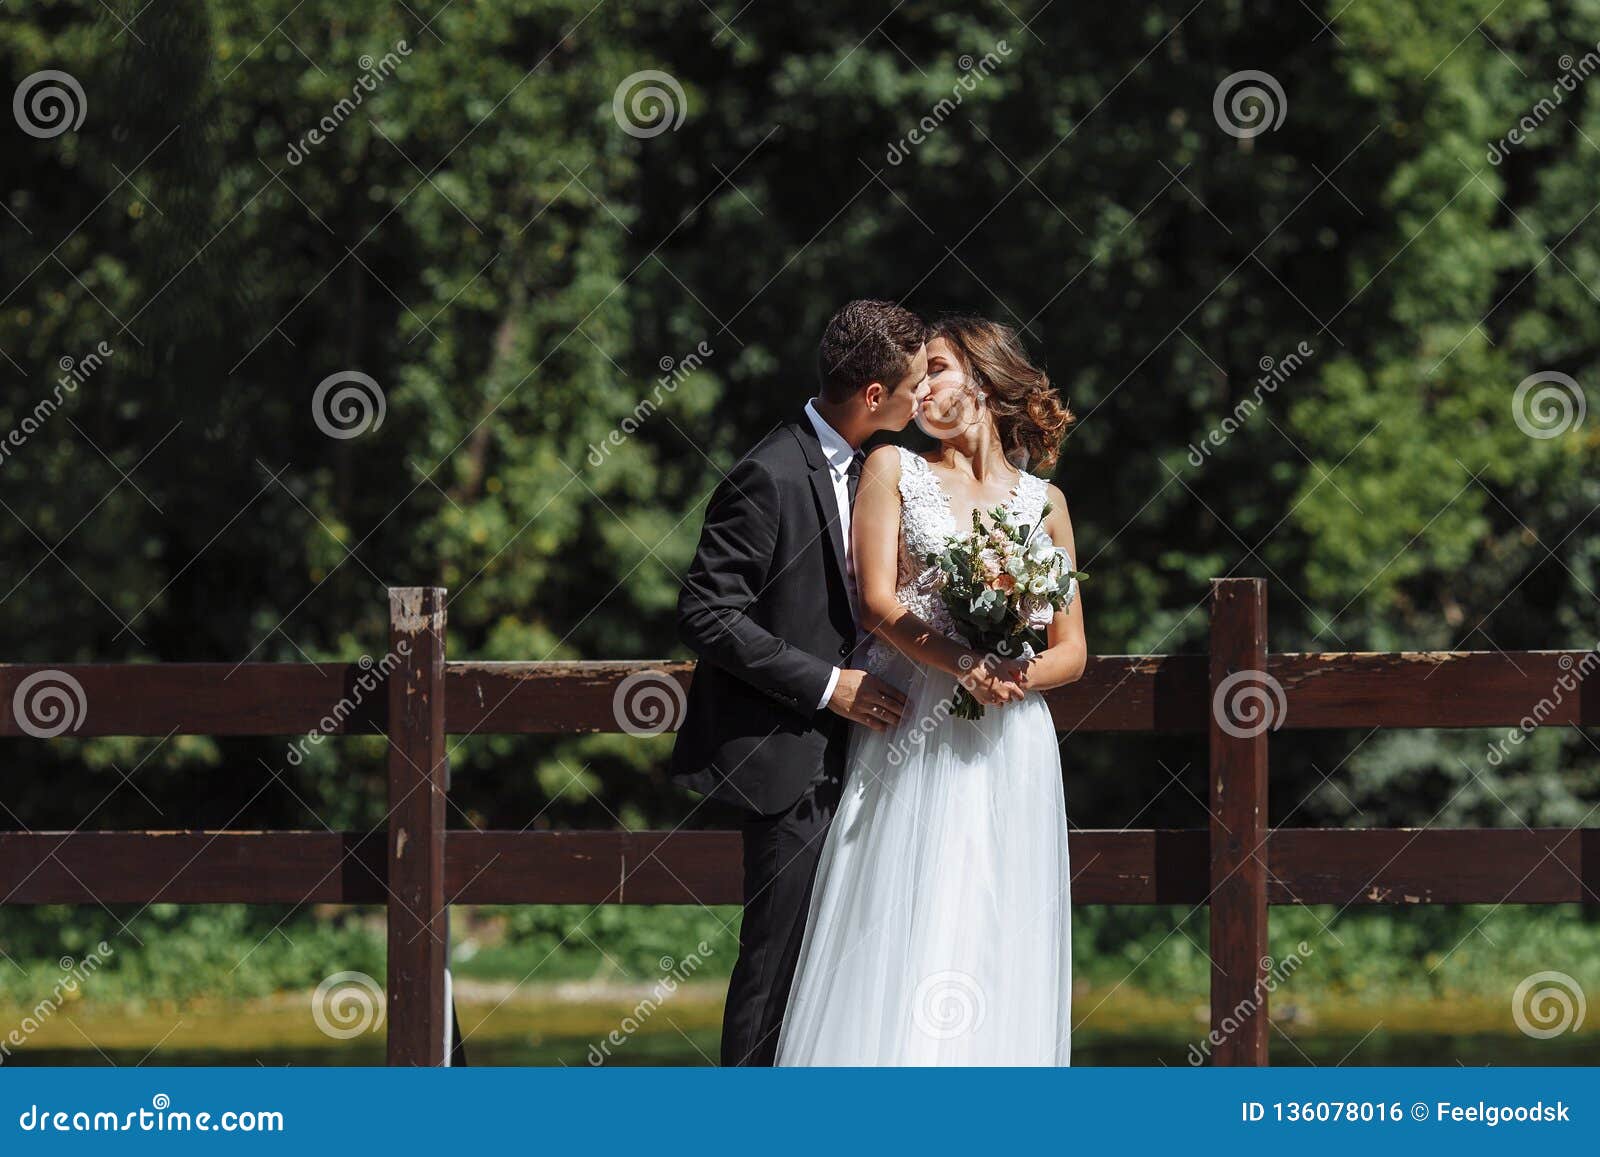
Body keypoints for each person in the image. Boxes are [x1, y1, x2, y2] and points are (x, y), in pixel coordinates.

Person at [775, 315, 1085, 1065]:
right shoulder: (892, 469)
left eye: (936, 368)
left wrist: (1010, 676)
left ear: (982, 379)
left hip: (1011, 742)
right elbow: (878, 604)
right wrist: (960, 662)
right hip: (913, 725)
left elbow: (1073, 651)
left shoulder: (1045, 503)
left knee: (994, 917)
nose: (919, 387)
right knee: (904, 913)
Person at [670, 298, 934, 1066]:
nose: (925, 397)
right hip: (792, 760)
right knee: (775, 968)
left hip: (874, 755)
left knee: (843, 968)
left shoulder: (881, 471)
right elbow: (706, 613)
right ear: (875, 395)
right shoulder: (770, 472)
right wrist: (827, 685)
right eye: (915, 385)